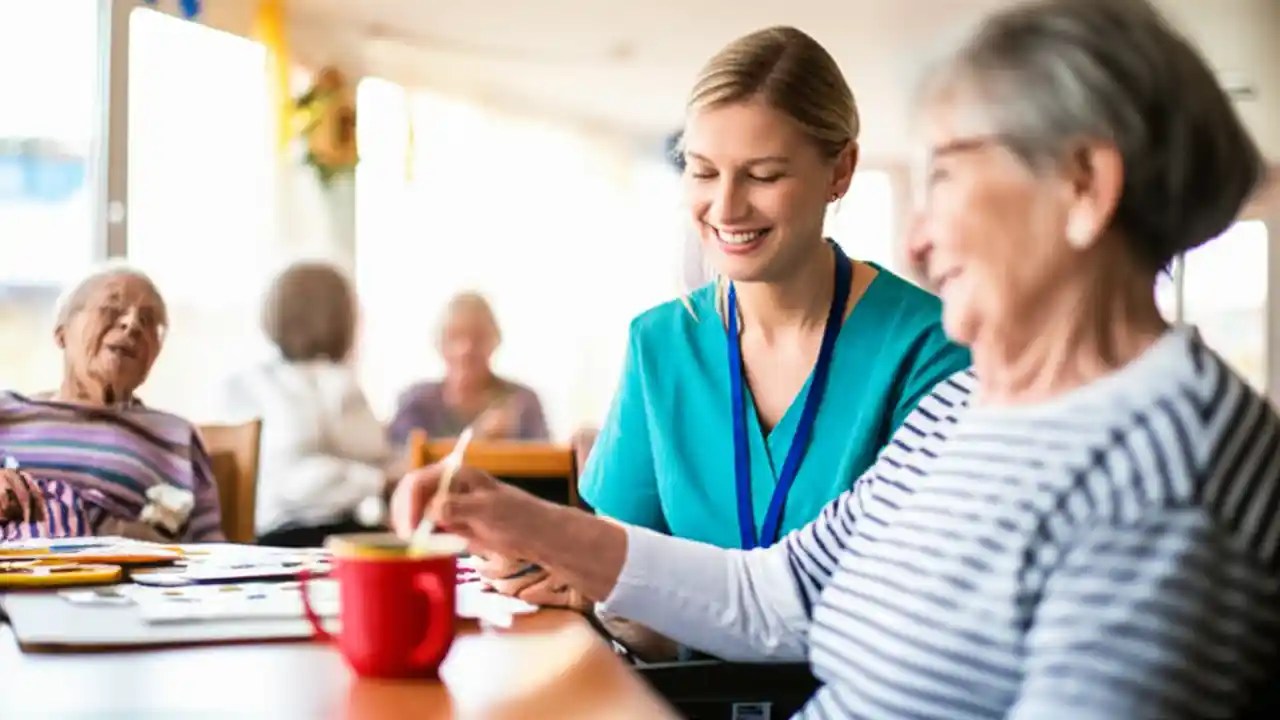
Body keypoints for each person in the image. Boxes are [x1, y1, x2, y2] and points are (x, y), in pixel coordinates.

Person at [390, 0, 1280, 716]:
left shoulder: (1166, 470)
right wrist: (529, 524)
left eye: (949, 179)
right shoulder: (972, 408)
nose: (920, 243)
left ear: (1085, 188)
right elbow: (776, 595)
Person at [474, 25, 970, 617]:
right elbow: (633, 599)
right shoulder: (659, 345)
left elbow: (922, 603)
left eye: (763, 175)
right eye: (703, 171)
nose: (726, 207)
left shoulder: (932, 349)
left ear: (840, 171)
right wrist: (574, 582)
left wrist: (653, 602)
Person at [0, 264, 223, 542]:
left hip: (122, 581)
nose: (132, 324)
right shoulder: (6, 412)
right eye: (111, 308)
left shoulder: (175, 436)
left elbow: (212, 553)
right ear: (61, 332)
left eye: (149, 319)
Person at [222, 261, 397, 547]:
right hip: (310, 535)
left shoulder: (249, 383)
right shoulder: (336, 382)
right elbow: (371, 452)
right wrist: (380, 480)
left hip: (270, 532)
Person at [387, 292, 549, 444]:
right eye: (455, 336)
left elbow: (547, 465)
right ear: (439, 343)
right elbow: (398, 463)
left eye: (478, 337)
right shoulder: (416, 401)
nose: (466, 349)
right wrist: (477, 439)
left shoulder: (523, 401)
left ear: (495, 340)